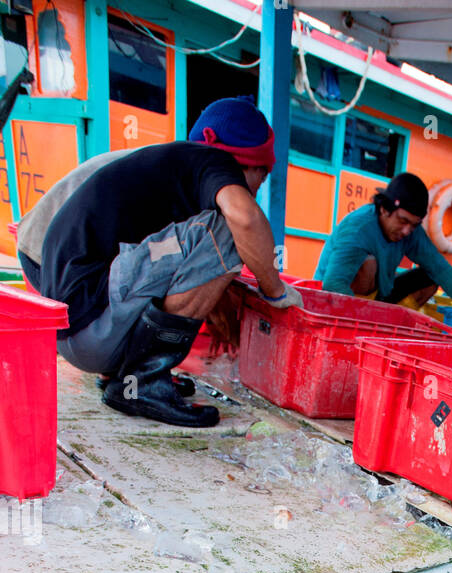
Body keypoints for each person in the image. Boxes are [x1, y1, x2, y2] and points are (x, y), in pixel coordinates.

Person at [34, 96, 300, 428]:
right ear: (247, 163)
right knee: (229, 228)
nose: (258, 189)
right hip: (92, 326)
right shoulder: (211, 162)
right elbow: (245, 219)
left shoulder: (171, 175)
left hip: (74, 332)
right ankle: (143, 383)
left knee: (216, 234)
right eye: (262, 177)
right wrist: (275, 290)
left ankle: (129, 380)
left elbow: (194, 279)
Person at [315, 171, 452, 332]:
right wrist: (359, 322)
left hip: (378, 297)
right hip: (332, 300)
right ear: (384, 209)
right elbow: (333, 285)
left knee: (431, 276)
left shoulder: (410, 233)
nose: (407, 231)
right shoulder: (358, 230)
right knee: (368, 262)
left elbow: (438, 265)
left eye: (414, 225)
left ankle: (391, 322)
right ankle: (371, 324)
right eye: (403, 221)